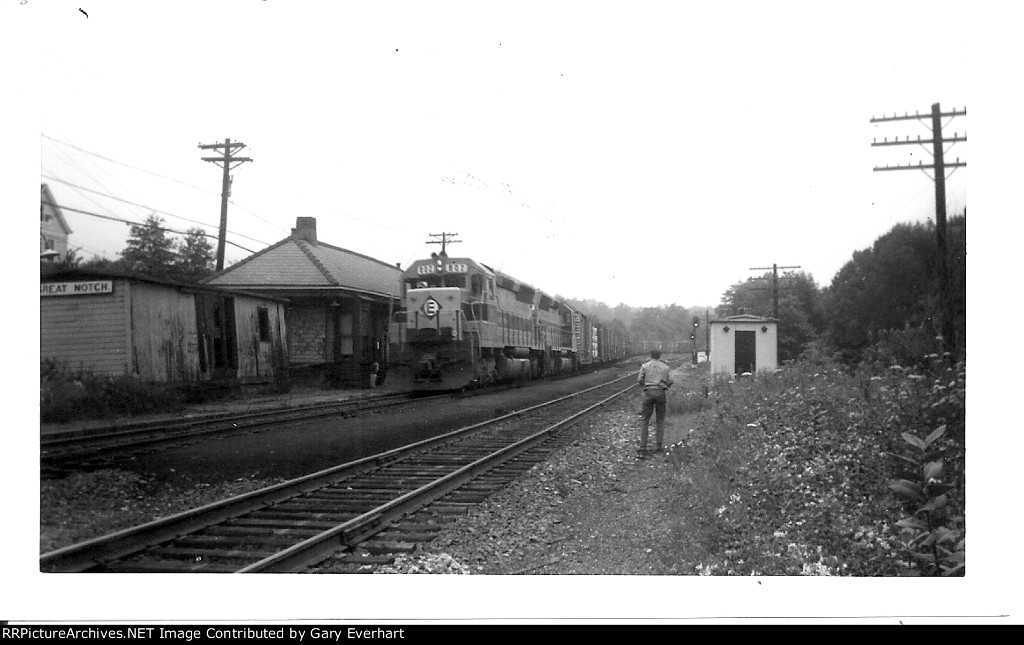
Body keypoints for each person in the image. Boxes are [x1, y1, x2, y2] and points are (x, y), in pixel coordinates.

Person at [636, 350, 673, 459]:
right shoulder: (665, 367)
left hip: (648, 393)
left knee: (645, 420)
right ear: (659, 356)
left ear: (651, 356)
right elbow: (671, 380)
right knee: (660, 420)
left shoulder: (645, 366)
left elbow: (639, 380)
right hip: (661, 393)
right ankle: (659, 446)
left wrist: (645, 386)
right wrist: (665, 385)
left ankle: (643, 447)